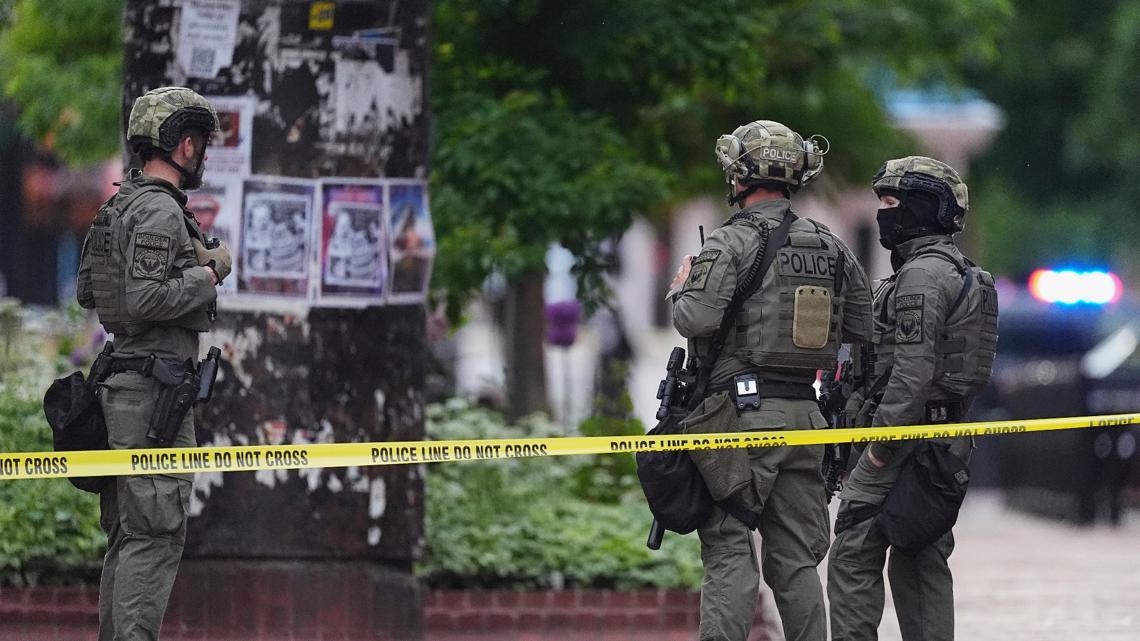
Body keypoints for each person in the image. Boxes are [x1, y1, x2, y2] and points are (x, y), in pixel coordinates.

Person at [668, 120, 873, 641]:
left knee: (729, 547)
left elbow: (695, 320)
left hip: (739, 422)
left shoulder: (729, 242)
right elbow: (861, 327)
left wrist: (681, 287)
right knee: (796, 563)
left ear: (740, 173)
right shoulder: (829, 245)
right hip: (806, 421)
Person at [76, 86, 231, 641]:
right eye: (201, 143)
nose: (203, 154)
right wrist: (209, 273)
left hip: (123, 389)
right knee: (155, 535)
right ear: (183, 144)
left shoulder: (118, 205)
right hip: (153, 400)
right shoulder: (162, 211)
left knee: (131, 536)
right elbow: (146, 300)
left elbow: (88, 292)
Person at [827, 157, 999, 641]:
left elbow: (912, 372)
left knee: (854, 552)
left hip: (902, 442)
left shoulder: (922, 277)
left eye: (891, 201)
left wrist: (879, 449)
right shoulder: (954, 272)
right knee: (920, 554)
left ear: (925, 206)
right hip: (939, 442)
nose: (883, 212)